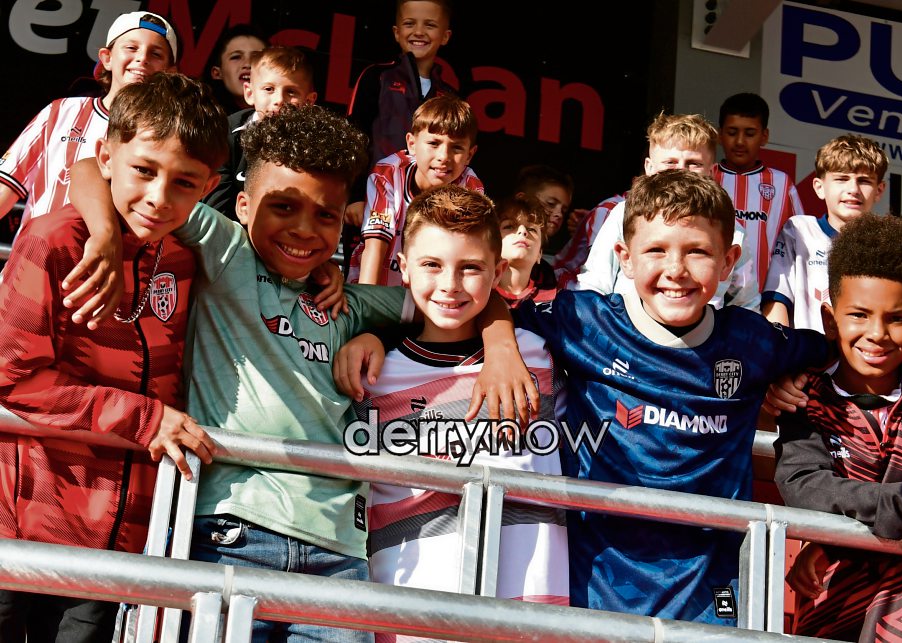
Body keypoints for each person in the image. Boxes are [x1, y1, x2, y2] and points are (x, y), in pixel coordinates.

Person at [67, 104, 536, 643]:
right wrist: (103, 234)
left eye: (326, 216)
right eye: (284, 207)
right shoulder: (227, 252)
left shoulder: (348, 303)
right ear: (243, 205)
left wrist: (501, 348)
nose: (304, 230)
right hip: (229, 534)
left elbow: (455, 300)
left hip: (340, 556)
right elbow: (91, 168)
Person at [512, 169, 830, 623]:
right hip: (594, 580)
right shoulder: (583, 322)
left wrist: (797, 379)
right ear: (624, 258)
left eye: (697, 251)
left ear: (729, 261)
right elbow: (490, 306)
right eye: (656, 250)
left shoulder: (752, 341)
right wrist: (500, 344)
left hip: (710, 589)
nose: (676, 270)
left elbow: (839, 351)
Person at [0, 72, 221, 643]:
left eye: (184, 182)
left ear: (209, 186)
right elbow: (10, 381)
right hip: (21, 527)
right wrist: (142, 418)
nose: (159, 197)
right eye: (144, 170)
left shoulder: (184, 260)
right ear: (107, 157)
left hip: (117, 542)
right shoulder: (54, 241)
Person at [356, 186, 568, 643]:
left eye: (470, 267)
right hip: (409, 609)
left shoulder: (538, 355)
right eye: (432, 264)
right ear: (403, 266)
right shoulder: (372, 370)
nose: (450, 283)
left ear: (497, 271)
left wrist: (502, 341)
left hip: (528, 608)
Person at [775, 213, 902, 643]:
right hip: (830, 602)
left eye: (896, 318)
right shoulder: (803, 394)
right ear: (830, 319)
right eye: (859, 315)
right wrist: (834, 541)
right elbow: (807, 490)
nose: (876, 333)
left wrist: (836, 535)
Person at [0, 11, 177, 230]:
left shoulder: (170, 134)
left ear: (170, 72)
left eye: (156, 54)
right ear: (107, 58)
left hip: (113, 252)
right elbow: (5, 186)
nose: (143, 58)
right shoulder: (61, 111)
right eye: (131, 48)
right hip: (36, 249)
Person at [576, 112, 760, 311]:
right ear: (649, 167)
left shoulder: (731, 228)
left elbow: (746, 304)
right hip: (626, 328)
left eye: (694, 163)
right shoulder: (623, 214)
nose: (681, 170)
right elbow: (594, 285)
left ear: (711, 172)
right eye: (670, 162)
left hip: (704, 331)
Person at [762, 134, 902, 333]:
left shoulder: (898, 243)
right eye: (841, 179)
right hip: (809, 352)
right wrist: (780, 348)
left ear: (879, 190)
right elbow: (777, 301)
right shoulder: (799, 231)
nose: (853, 189)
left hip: (875, 351)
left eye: (864, 181)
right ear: (819, 187)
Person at [348, 94, 482, 286]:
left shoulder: (471, 187)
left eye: (457, 148)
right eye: (434, 143)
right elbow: (375, 246)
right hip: (376, 287)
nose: (444, 156)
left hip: (431, 294)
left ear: (470, 155)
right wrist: (366, 301)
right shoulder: (388, 174)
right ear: (412, 144)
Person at [202, 46, 318, 219]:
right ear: (249, 93)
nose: (279, 100)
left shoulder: (316, 144)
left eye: (291, 92)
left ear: (309, 101)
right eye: (269, 89)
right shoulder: (225, 134)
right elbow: (215, 209)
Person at [347, 0, 455, 168]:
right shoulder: (377, 77)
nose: (419, 32)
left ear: (445, 36)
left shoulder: (449, 96)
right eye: (409, 23)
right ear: (397, 33)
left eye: (430, 25)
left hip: (428, 185)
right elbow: (352, 137)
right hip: (378, 183)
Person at [713, 92, 804, 290]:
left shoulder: (782, 184)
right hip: (710, 296)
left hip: (762, 299)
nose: (739, 141)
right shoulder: (706, 177)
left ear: (764, 136)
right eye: (732, 132)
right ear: (719, 135)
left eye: (750, 133)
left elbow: (797, 246)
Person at [495, 194, 558, 307]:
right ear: (492, 245)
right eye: (509, 226)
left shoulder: (557, 304)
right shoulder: (478, 295)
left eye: (531, 229)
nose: (523, 231)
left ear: (540, 253)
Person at [204, 24, 268, 115]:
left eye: (256, 57)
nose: (247, 64)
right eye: (236, 57)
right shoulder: (204, 117)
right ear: (217, 73)